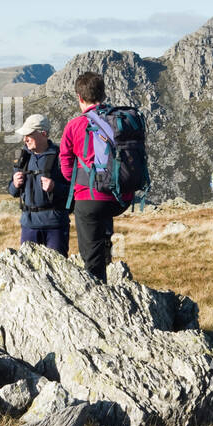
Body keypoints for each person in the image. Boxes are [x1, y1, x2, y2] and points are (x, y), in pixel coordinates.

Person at [59, 72, 125, 283]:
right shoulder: (119, 120)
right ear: (104, 95)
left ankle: (100, 297)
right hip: (120, 197)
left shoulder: (74, 125)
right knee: (104, 237)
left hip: (89, 198)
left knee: (91, 260)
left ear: (79, 97)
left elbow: (66, 165)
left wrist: (80, 184)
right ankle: (108, 251)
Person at [8, 113, 71, 255]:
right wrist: (15, 185)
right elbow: (12, 191)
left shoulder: (61, 156)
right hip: (28, 225)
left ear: (43, 134)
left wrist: (55, 187)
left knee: (57, 272)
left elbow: (73, 192)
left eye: (29, 134)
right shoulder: (21, 157)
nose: (25, 139)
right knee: (28, 272)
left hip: (55, 225)